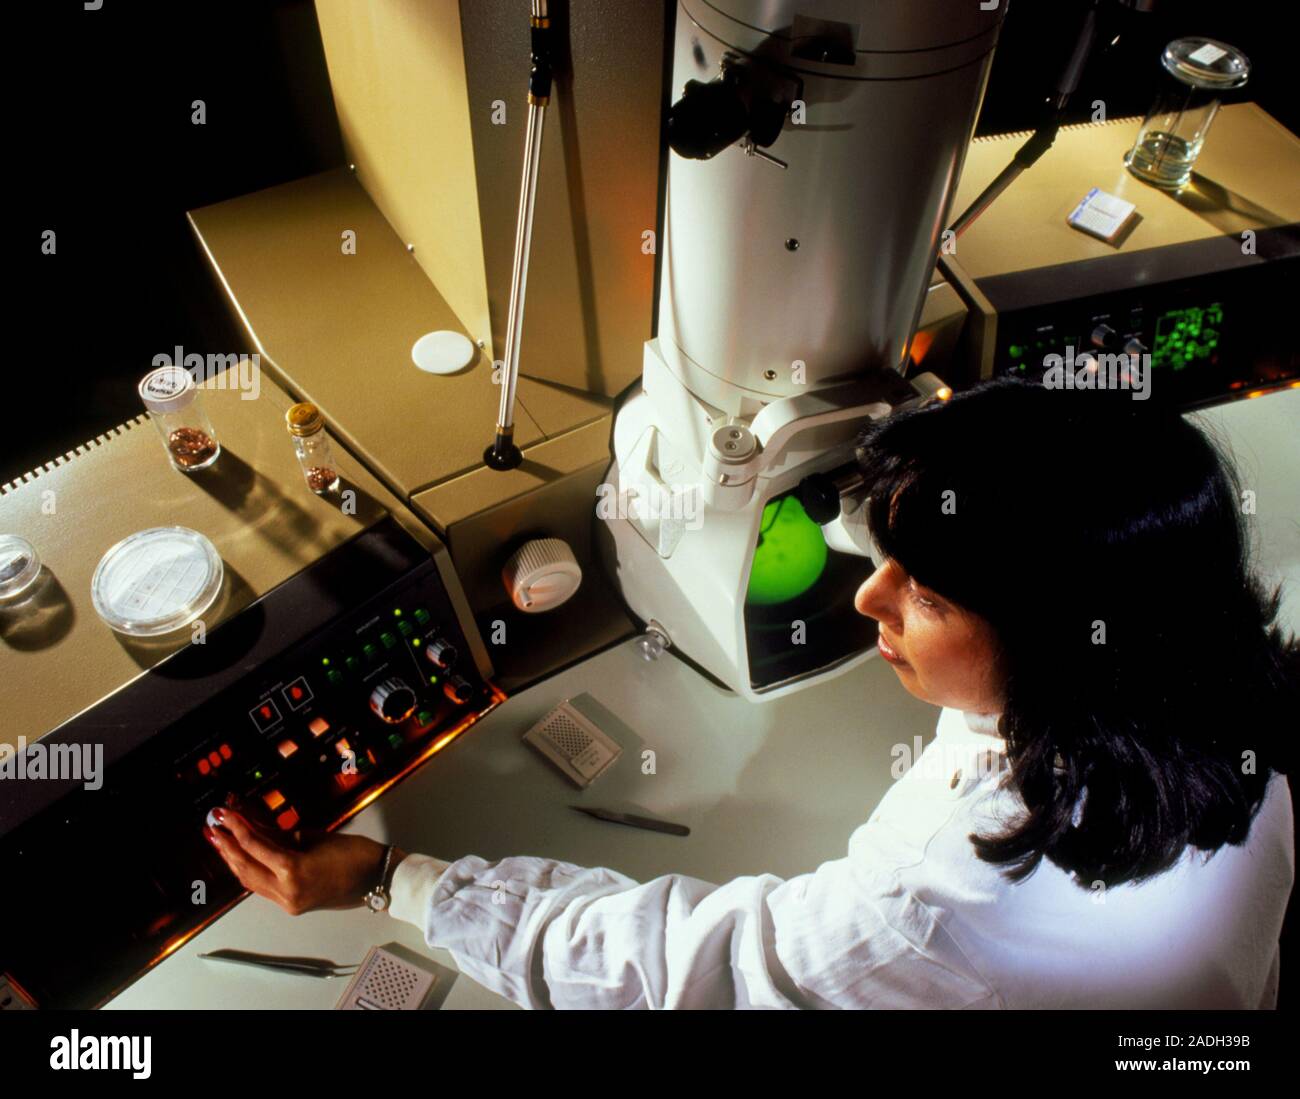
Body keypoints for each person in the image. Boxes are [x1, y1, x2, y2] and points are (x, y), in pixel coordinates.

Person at [206, 377, 1297, 1008]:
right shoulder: (1211, 669)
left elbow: (682, 975)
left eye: (921, 596)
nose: (865, 598)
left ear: (1052, 637)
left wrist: (391, 876)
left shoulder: (936, 906)